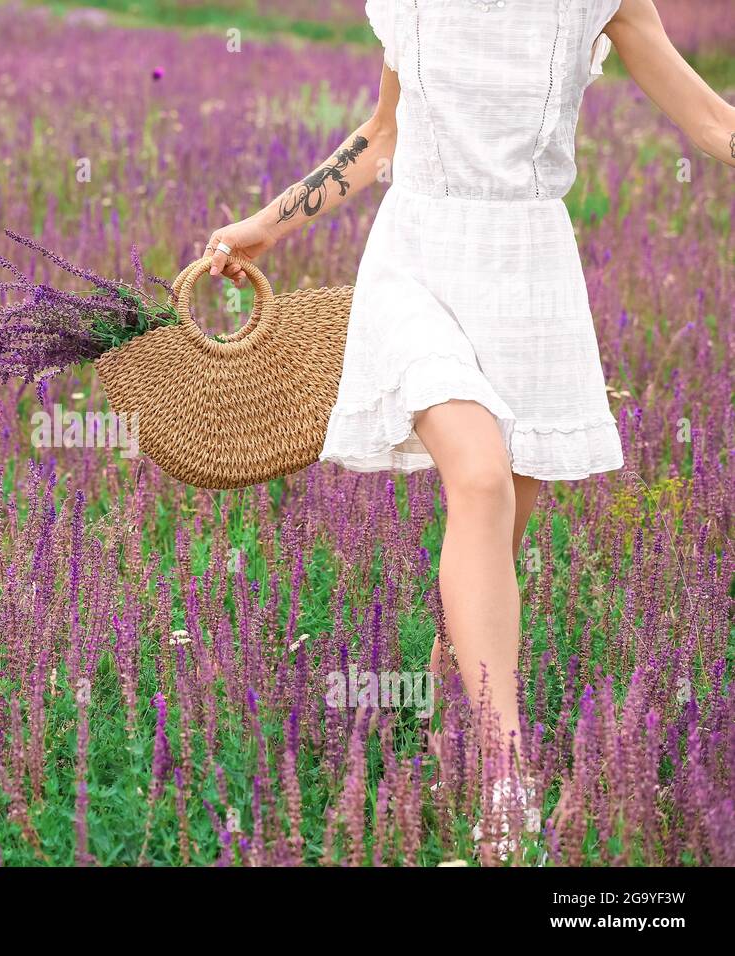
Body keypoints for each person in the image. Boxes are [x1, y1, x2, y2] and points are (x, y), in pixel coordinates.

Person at [202, 0, 735, 858]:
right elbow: (384, 135)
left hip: (530, 277)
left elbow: (713, 120)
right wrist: (268, 223)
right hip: (417, 259)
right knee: (479, 478)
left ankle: (449, 730)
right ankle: (505, 773)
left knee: (497, 527)